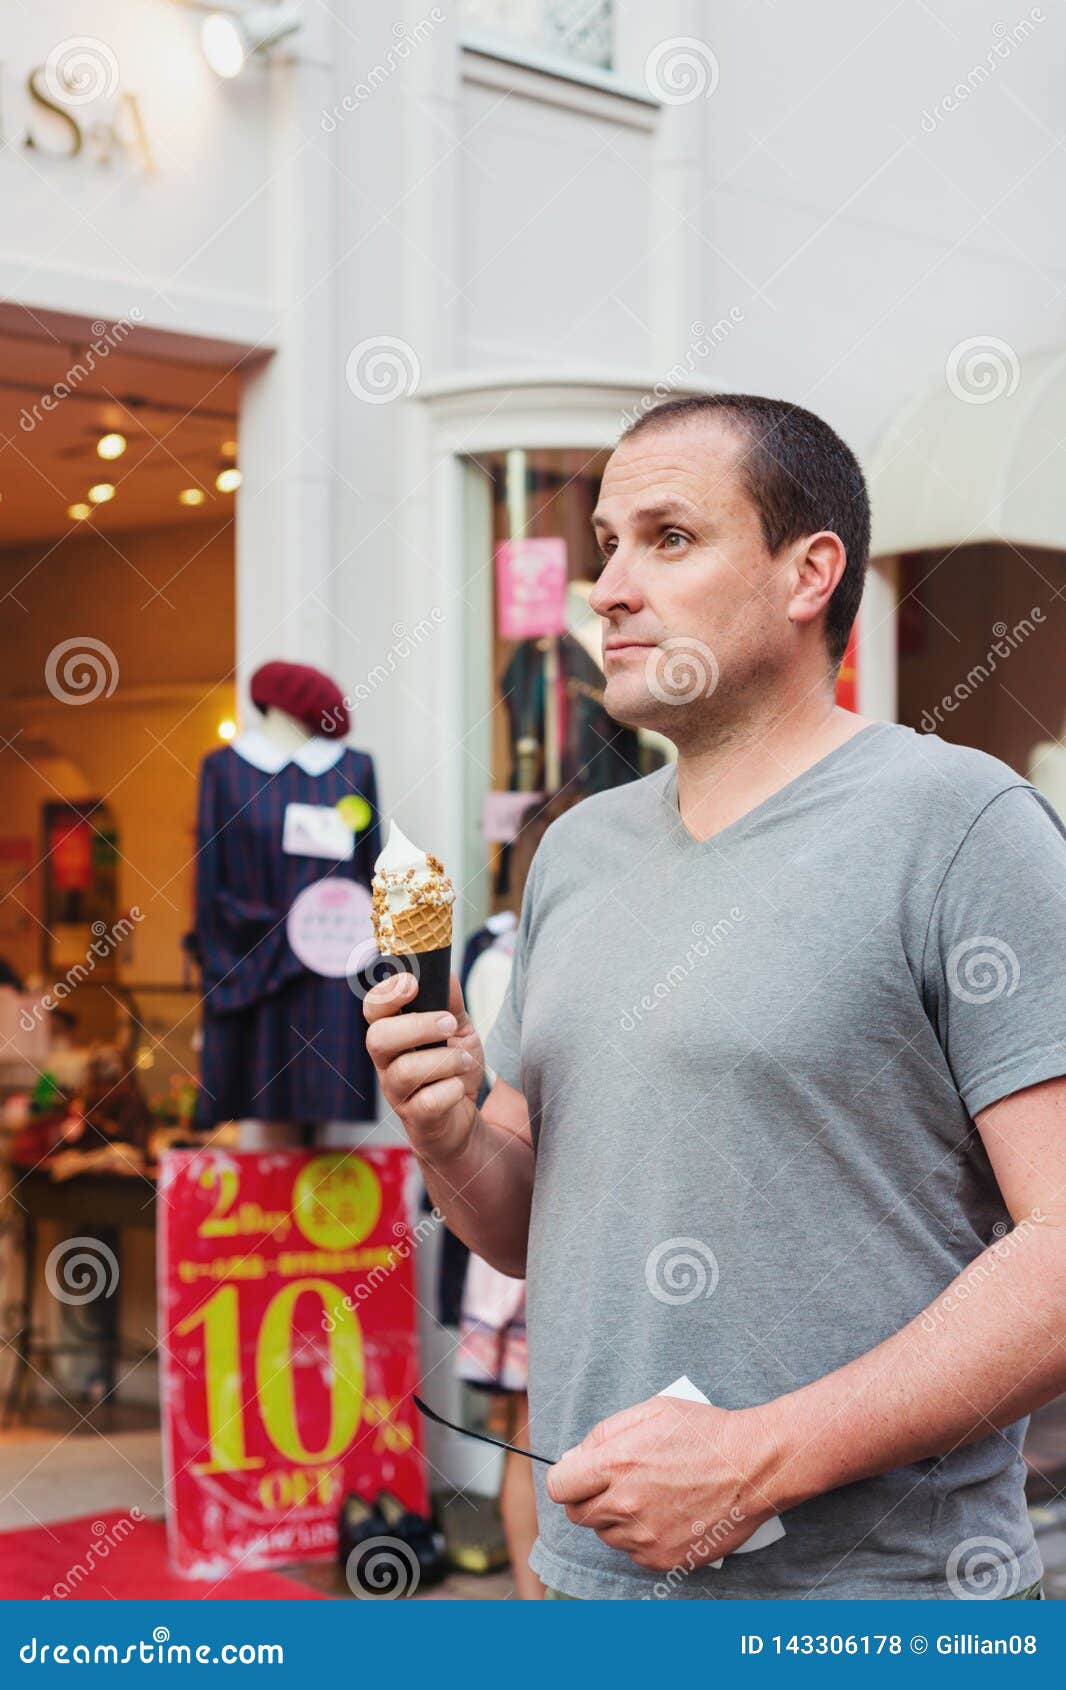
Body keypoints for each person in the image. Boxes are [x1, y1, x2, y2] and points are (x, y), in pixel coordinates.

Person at [364, 394, 1066, 1600]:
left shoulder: (961, 824)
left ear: (808, 573)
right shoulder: (575, 854)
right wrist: (450, 1136)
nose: (609, 589)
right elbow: (527, 1224)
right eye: (603, 546)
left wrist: (753, 1462)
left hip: (879, 1602)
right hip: (595, 1584)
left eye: (668, 539)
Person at [456, 791, 585, 1600]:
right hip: (535, 1206)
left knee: (530, 1430)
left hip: (530, 1204)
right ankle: (536, 1603)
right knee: (536, 1430)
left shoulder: (494, 950)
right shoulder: (513, 957)